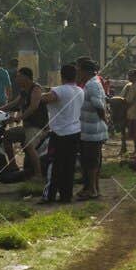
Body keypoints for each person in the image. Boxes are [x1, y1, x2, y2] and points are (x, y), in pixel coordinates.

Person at [38, 63, 84, 203]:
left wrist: (39, 92)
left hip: (59, 134)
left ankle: (49, 196)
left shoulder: (59, 91)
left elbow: (42, 99)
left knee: (54, 165)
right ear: (75, 76)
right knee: (69, 166)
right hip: (75, 132)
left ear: (61, 75)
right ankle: (66, 196)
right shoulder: (80, 91)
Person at [77, 58, 108, 200]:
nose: (78, 73)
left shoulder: (92, 85)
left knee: (91, 161)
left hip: (93, 131)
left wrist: (104, 120)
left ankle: (92, 190)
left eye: (79, 70)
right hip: (90, 129)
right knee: (90, 160)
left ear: (85, 71)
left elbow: (99, 106)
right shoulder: (92, 83)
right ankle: (92, 188)